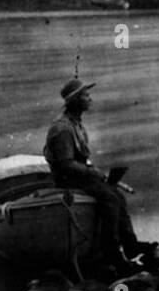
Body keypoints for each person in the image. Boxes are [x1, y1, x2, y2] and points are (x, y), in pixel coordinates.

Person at [43, 77, 147, 272]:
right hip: (67, 179)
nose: (90, 99)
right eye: (85, 96)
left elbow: (80, 158)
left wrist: (95, 172)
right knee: (110, 198)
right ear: (74, 101)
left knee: (117, 194)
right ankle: (113, 253)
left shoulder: (75, 123)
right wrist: (94, 173)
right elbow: (65, 164)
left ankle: (131, 246)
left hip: (79, 176)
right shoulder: (62, 128)